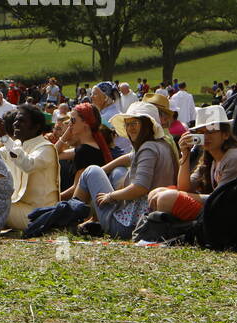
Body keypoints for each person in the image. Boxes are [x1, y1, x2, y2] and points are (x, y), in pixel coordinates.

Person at [72, 102, 177, 238]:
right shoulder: (162, 144)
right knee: (117, 172)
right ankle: (83, 216)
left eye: (135, 123)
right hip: (149, 218)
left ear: (147, 125)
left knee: (91, 171)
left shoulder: (148, 149)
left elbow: (140, 187)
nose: (130, 128)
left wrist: (110, 196)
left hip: (129, 225)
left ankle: (70, 218)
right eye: (127, 124)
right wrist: (103, 169)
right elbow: (129, 157)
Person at [147, 105, 237, 220]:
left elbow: (220, 199)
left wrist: (174, 196)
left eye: (211, 131)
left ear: (226, 134)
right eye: (201, 132)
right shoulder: (210, 159)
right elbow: (184, 187)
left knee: (166, 197)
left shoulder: (235, 158)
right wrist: (185, 154)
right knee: (157, 192)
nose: (206, 136)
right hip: (226, 210)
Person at [0, 104, 59, 231]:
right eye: (15, 120)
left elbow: (28, 164)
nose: (15, 124)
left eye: (21, 121)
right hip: (20, 207)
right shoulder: (18, 144)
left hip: (40, 215)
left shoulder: (46, 148)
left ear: (36, 127)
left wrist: (4, 136)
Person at [57, 103, 112, 200]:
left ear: (85, 123)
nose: (70, 124)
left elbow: (76, 189)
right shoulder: (92, 146)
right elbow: (55, 154)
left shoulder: (85, 151)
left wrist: (53, 199)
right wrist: (65, 136)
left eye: (73, 120)